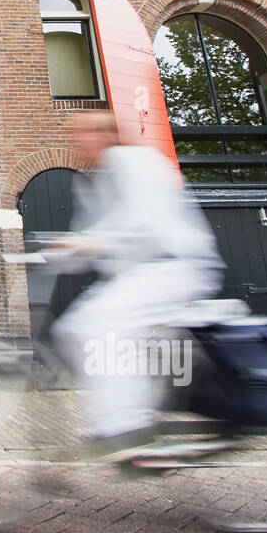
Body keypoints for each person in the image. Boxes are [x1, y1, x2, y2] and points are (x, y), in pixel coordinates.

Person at [46, 110, 225, 461]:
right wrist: (52, 255)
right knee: (82, 328)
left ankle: (126, 428)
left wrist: (90, 243)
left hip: (173, 265)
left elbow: (144, 220)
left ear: (103, 136)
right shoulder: (90, 182)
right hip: (137, 275)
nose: (76, 144)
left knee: (96, 324)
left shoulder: (135, 163)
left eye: (81, 135)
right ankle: (123, 421)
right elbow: (90, 239)